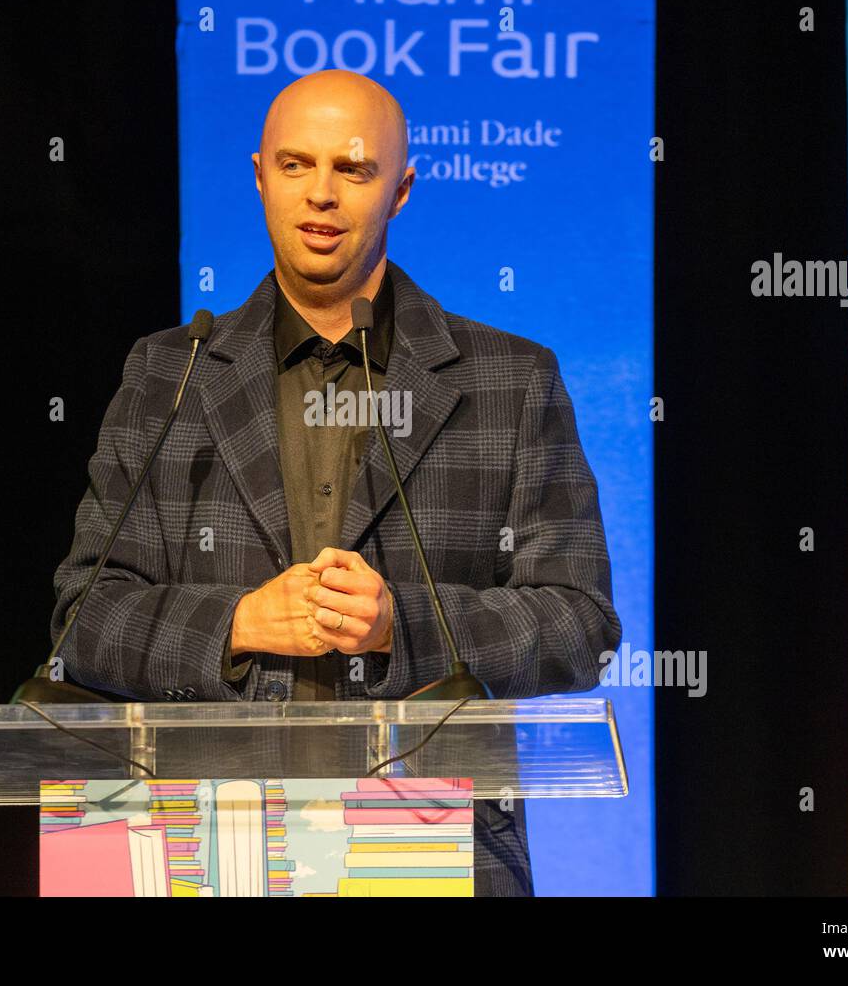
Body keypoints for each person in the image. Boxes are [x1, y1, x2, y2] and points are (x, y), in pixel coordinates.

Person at [52, 69, 621, 896]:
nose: (320, 194)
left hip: (427, 844)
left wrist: (405, 624)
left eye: (352, 169)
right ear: (257, 175)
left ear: (401, 189)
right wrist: (239, 621)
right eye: (295, 165)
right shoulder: (168, 374)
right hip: (203, 845)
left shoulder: (510, 381)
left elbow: (580, 623)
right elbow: (84, 617)